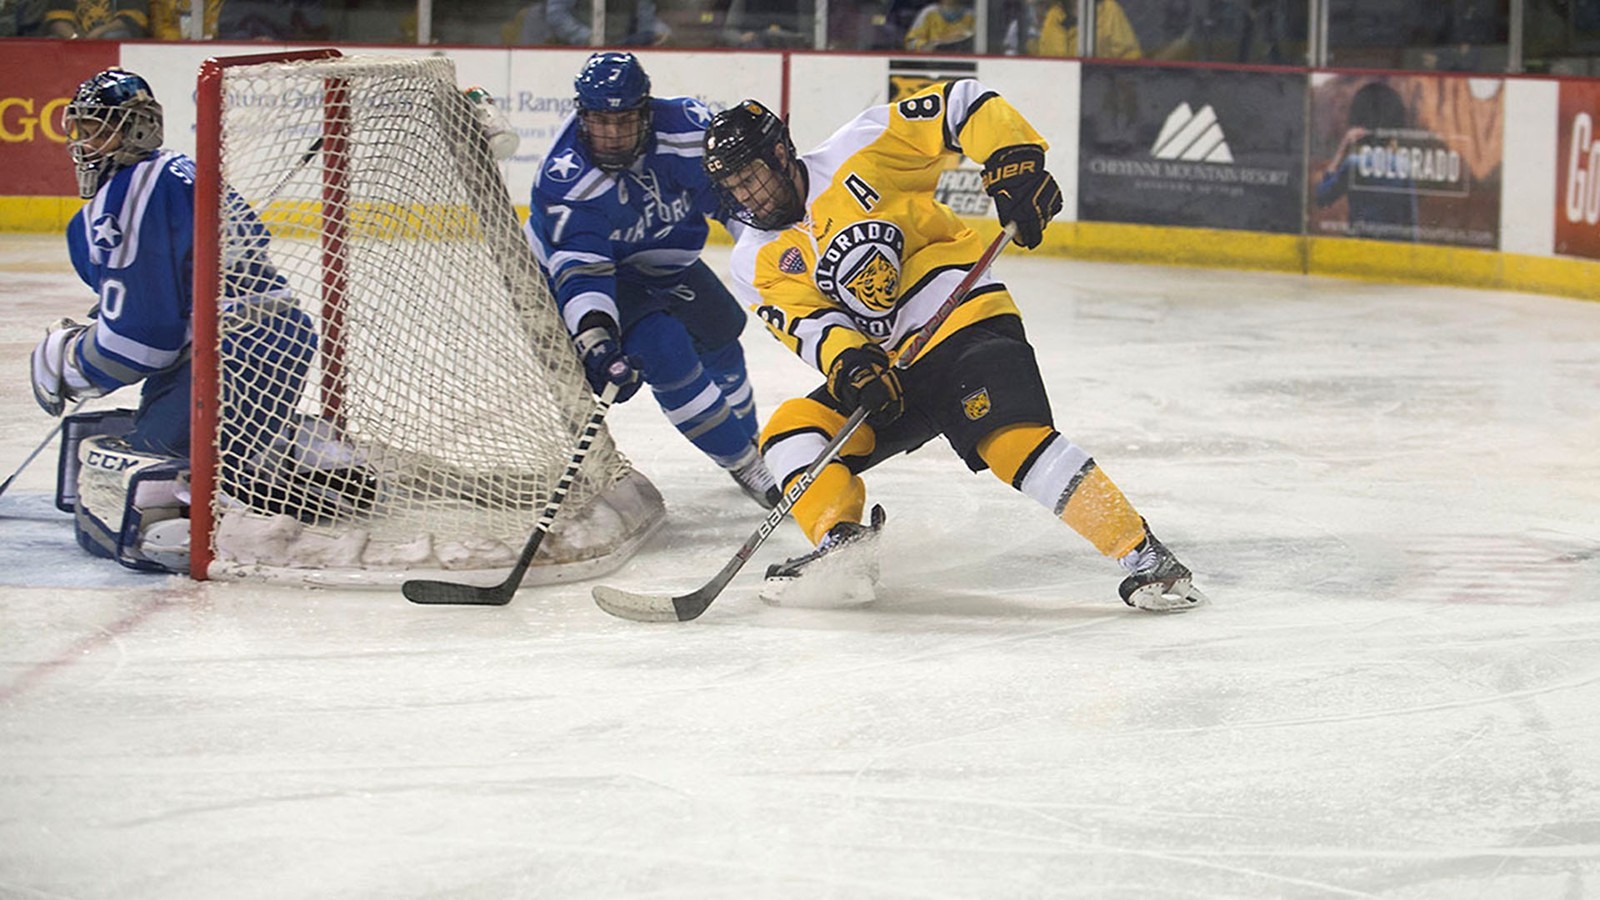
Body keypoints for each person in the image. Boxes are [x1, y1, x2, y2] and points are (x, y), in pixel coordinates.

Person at [699, 83, 1204, 611]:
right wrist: (853, 367)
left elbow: (962, 104)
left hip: (963, 323)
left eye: (751, 178)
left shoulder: (861, 149)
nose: (747, 196)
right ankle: (842, 548)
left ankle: (1146, 558)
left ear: (780, 155)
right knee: (789, 433)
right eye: (733, 188)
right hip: (894, 372)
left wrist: (1014, 163)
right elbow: (813, 325)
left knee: (1008, 440)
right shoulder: (753, 261)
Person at [28, 68, 363, 569]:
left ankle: (253, 477)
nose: (87, 141)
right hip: (276, 337)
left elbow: (140, 344)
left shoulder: (129, 193)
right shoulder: (178, 169)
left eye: (100, 127)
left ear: (136, 128)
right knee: (180, 448)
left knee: (142, 487)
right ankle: (291, 448)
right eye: (83, 128)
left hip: (229, 351)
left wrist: (69, 361)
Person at [525, 52, 778, 509]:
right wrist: (596, 339)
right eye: (601, 121)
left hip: (665, 261)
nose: (614, 135)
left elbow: (735, 205)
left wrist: (770, 256)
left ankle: (751, 439)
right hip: (608, 280)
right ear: (583, 116)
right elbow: (583, 272)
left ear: (646, 112)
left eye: (625, 121)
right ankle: (744, 462)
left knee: (722, 328)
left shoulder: (687, 130)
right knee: (665, 349)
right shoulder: (565, 181)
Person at [1036, 0, 1141, 58]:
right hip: (1059, 91)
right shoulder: (1053, 16)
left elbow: (1130, 58)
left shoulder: (1109, 10)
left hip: (1099, 91)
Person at [42, 0, 148, 38]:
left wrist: (98, 32)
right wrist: (74, 37)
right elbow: (57, 19)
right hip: (77, 39)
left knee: (113, 36)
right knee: (52, 40)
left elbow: (130, 18)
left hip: (110, 35)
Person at [903, 0, 974, 51]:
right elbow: (910, 42)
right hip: (933, 65)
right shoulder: (928, 13)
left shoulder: (972, 16)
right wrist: (926, 46)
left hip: (962, 65)